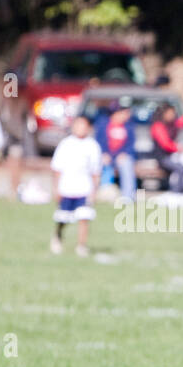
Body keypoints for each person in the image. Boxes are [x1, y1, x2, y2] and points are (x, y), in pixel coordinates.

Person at [49, 114, 102, 257]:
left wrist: (94, 190)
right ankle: (58, 236)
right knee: (63, 218)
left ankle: (81, 245)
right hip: (67, 186)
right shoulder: (66, 144)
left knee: (84, 217)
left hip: (84, 187)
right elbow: (57, 169)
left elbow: (96, 171)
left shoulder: (92, 146)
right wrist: (56, 188)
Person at [150, 102, 183, 193]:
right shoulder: (158, 126)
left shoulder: (171, 124)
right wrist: (179, 148)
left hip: (172, 156)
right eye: (170, 113)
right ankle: (176, 192)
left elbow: (181, 123)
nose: (172, 115)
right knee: (181, 169)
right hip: (162, 157)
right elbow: (165, 144)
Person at [93, 102, 137, 202]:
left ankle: (128, 196)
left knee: (126, 164)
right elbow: (98, 142)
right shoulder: (103, 124)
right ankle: (103, 194)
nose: (127, 116)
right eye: (125, 113)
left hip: (121, 156)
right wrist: (104, 153)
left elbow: (131, 145)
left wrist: (123, 154)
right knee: (102, 165)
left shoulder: (129, 127)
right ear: (117, 113)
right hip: (106, 155)